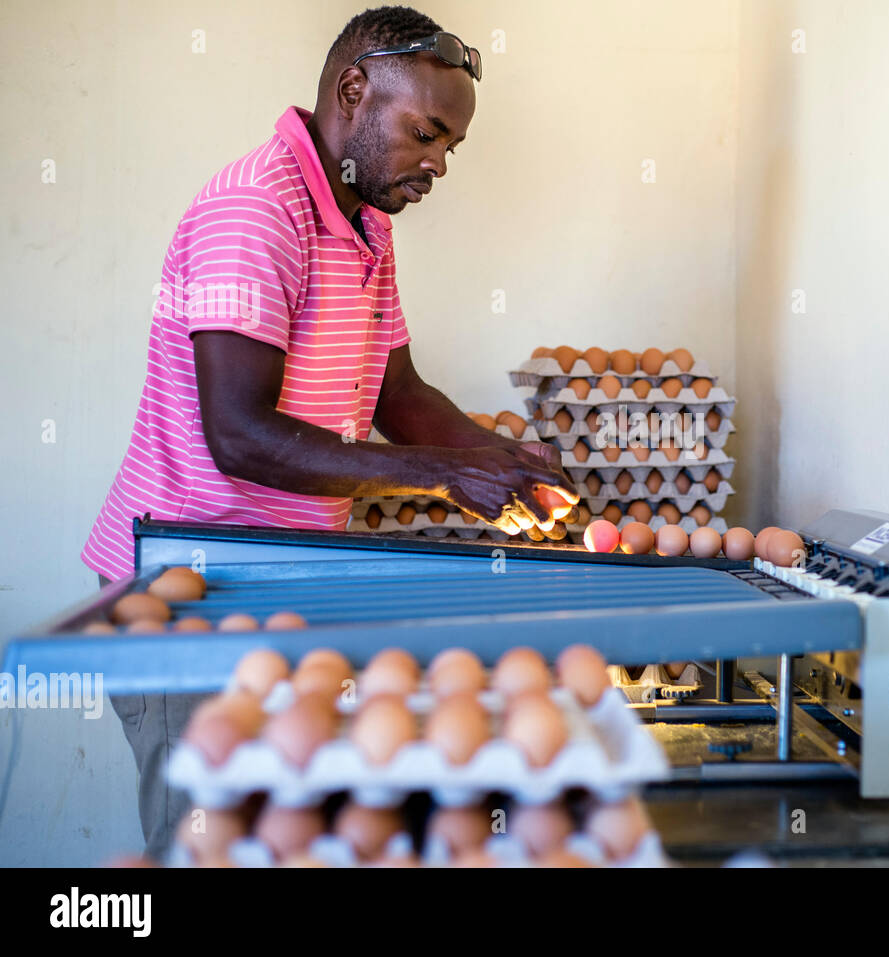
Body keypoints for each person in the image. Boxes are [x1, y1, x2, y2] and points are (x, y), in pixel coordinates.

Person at [82, 5, 576, 860]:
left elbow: (399, 391)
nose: (438, 163)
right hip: (188, 584)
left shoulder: (366, 225)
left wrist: (502, 459)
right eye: (426, 132)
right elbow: (239, 435)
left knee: (287, 834)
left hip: (275, 577)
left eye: (451, 146)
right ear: (354, 90)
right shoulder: (257, 209)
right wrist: (441, 476)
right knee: (205, 841)